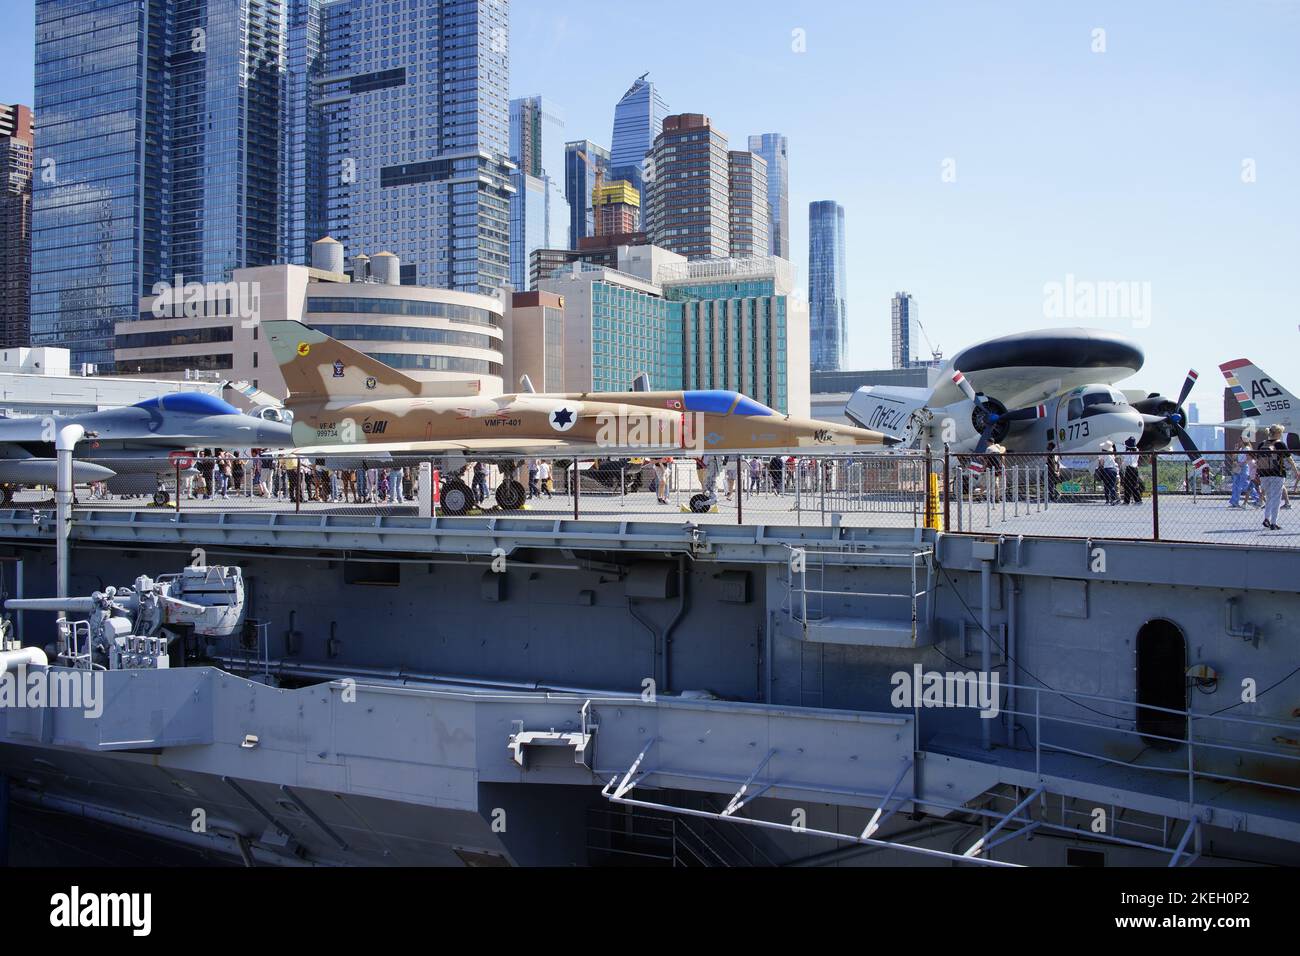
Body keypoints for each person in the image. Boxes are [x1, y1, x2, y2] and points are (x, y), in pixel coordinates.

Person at [1257, 424, 1291, 530]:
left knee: (1269, 497)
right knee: (1276, 499)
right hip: (1277, 474)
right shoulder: (1280, 444)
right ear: (1277, 433)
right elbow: (1289, 459)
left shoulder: (1261, 444)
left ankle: (1266, 518)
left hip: (1264, 474)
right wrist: (1295, 470)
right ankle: (1273, 522)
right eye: (1280, 433)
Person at [1120, 437, 1143, 504]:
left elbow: (1126, 462)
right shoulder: (1137, 450)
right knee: (1135, 485)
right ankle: (1138, 500)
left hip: (1129, 468)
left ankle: (1126, 501)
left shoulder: (1127, 452)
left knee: (1127, 485)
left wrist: (1123, 464)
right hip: (1135, 468)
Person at [1097, 441, 1120, 505]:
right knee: (1112, 485)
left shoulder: (1103, 454)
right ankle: (1113, 499)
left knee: (1106, 485)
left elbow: (1101, 463)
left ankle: (1107, 500)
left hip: (1107, 469)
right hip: (1114, 470)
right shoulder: (1112, 454)